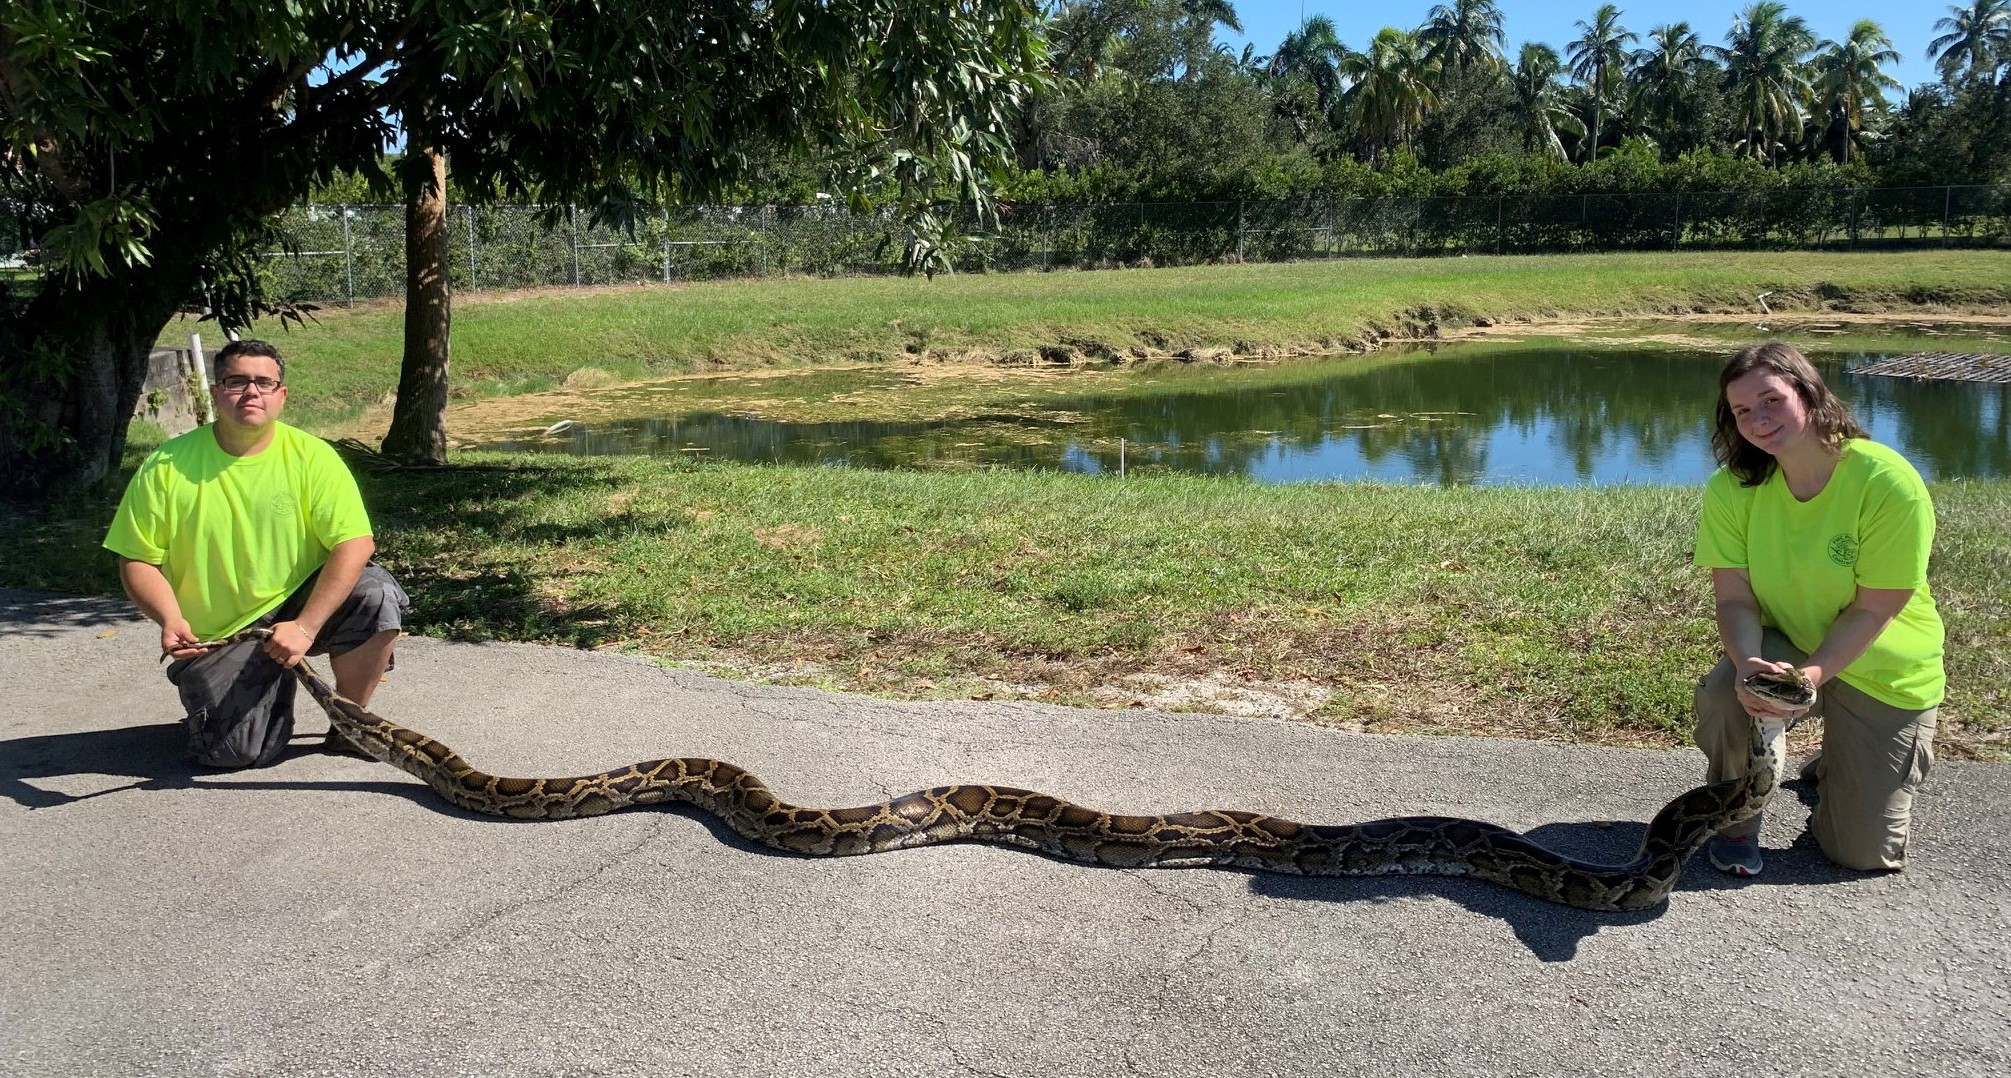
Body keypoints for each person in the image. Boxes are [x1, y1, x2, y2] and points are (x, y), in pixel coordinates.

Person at [1691, 341, 1944, 879]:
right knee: (1723, 696)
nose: (1757, 420)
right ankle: (1736, 822)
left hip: (1884, 668)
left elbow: (1875, 609)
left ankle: (1836, 763)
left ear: (1808, 392)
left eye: (1771, 400)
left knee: (1859, 854)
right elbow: (1734, 598)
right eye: (1741, 411)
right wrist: (1746, 666)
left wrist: (1808, 679)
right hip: (1791, 646)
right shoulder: (1733, 489)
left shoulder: (1886, 482)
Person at [103, 339, 409, 768]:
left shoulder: (312, 457)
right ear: (214, 392)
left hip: (297, 609)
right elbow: (136, 558)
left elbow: (355, 543)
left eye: (265, 383)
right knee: (235, 754)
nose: (252, 392)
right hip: (220, 636)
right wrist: (169, 618)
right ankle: (245, 697)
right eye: (236, 381)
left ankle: (351, 726)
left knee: (375, 592)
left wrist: (304, 627)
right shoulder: (166, 465)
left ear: (281, 395)